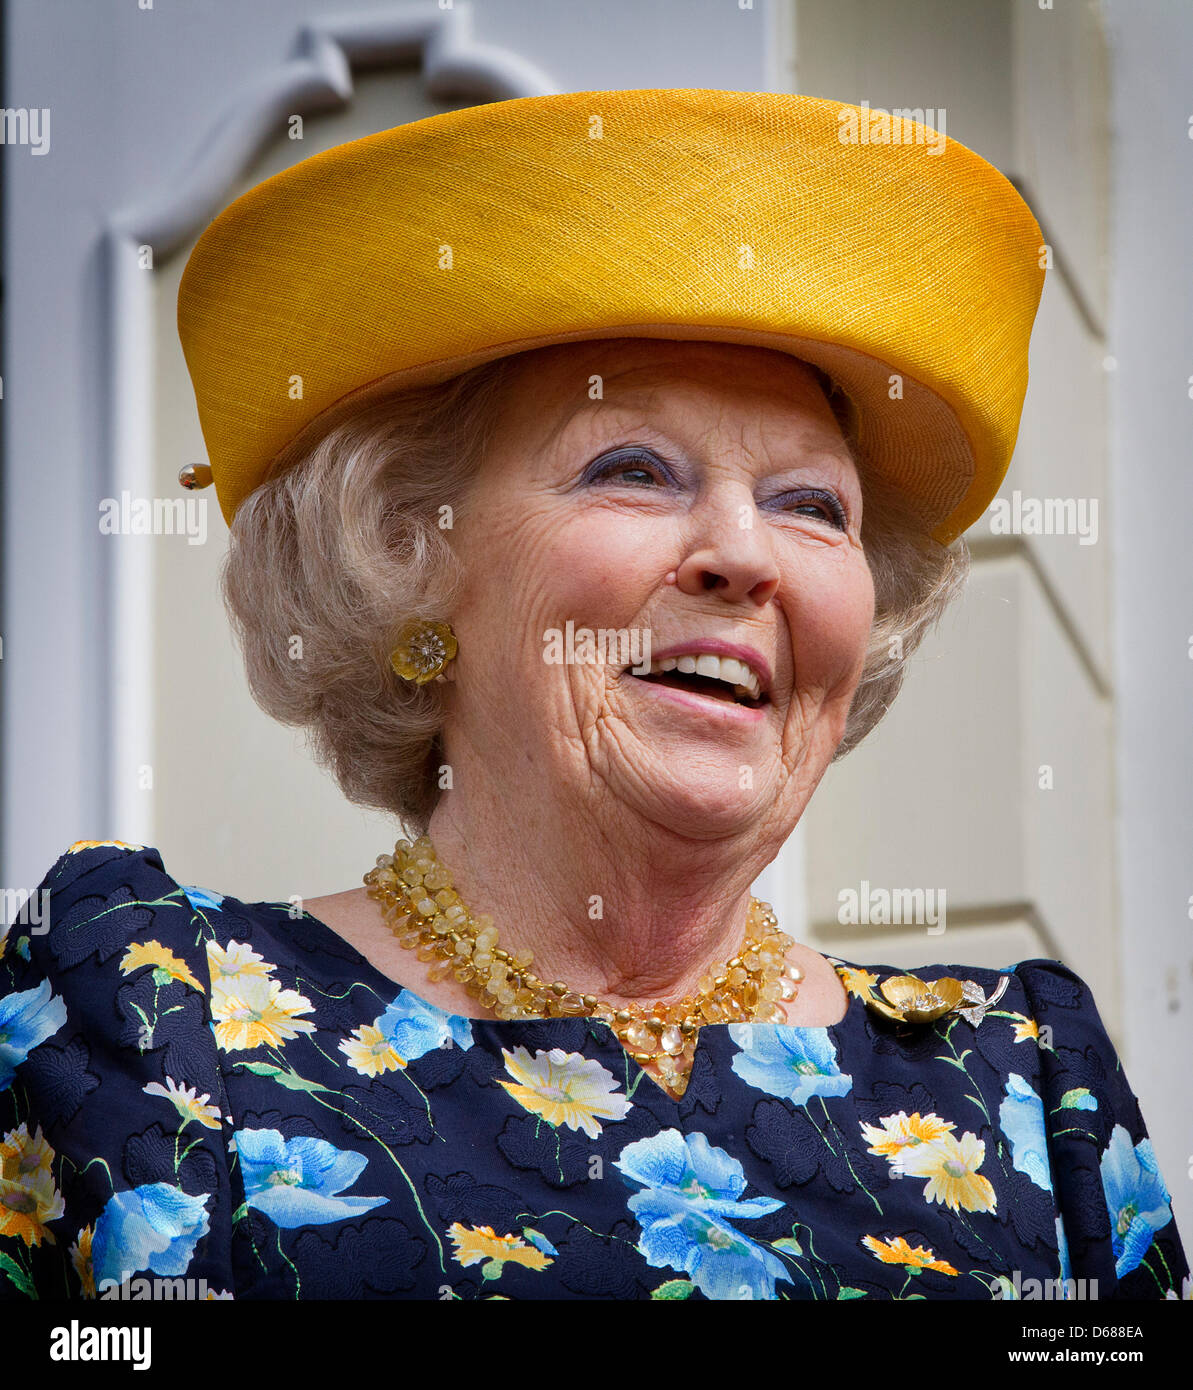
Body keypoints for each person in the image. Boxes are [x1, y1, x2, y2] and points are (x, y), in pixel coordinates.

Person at [1, 89, 1185, 1301]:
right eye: (632, 469)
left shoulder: (1027, 1091)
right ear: (410, 560)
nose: (746, 554)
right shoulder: (157, 1011)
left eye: (810, 504)